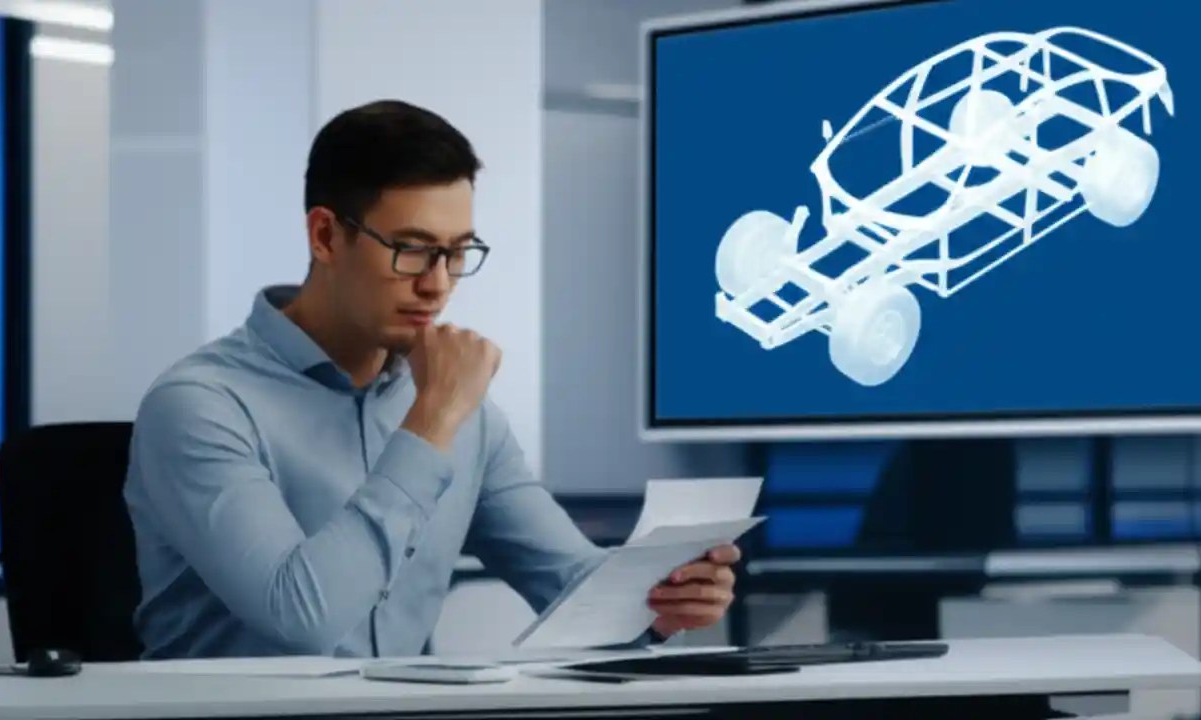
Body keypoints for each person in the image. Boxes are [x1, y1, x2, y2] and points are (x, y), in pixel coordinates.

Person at [122, 99, 740, 659]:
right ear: (325, 236)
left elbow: (572, 587)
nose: (438, 284)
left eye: (457, 253)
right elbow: (302, 620)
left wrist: (660, 598)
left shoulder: (461, 412)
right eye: (411, 249)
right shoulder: (200, 406)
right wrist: (431, 422)